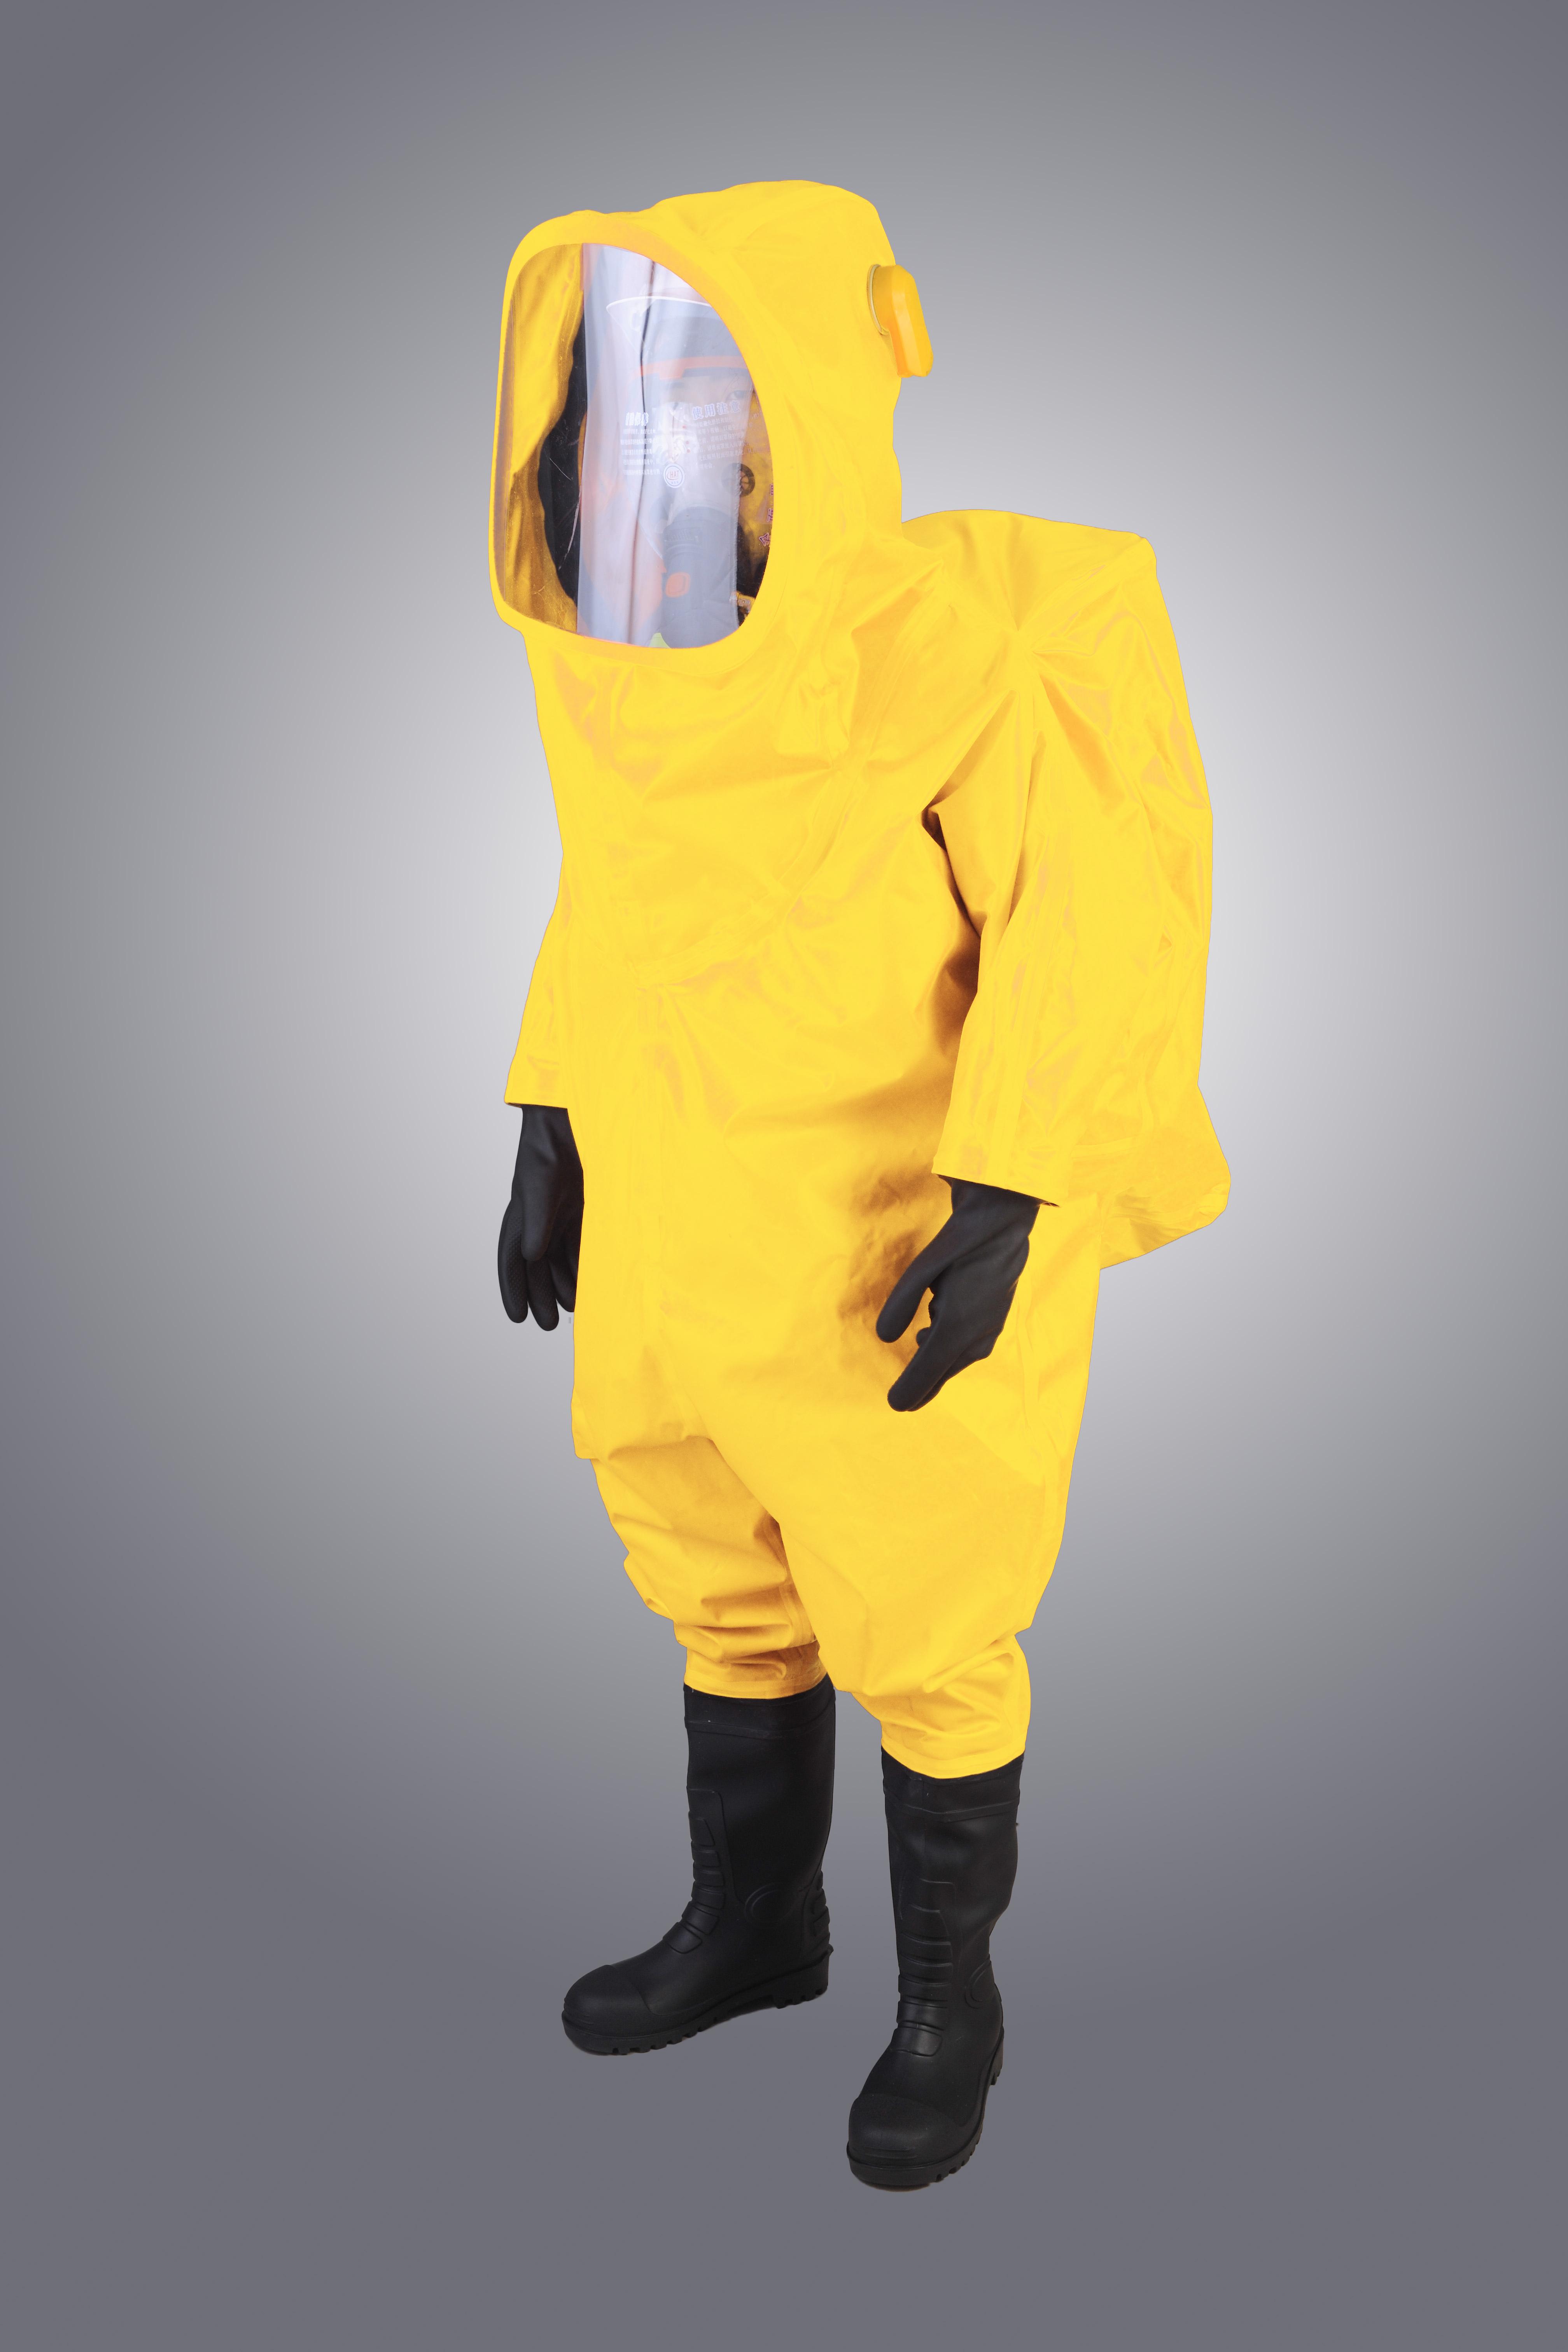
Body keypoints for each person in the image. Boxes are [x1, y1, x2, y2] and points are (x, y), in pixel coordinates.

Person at [488, 183, 1228, 2189]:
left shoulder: (945, 658)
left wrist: (1015, 1192)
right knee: (708, 1557)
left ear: (804, 406)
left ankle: (944, 2005)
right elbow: (611, 897)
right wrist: (547, 1121)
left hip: (881, 1227)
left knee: (922, 1590)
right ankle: (757, 1926)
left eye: (706, 403)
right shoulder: (620, 668)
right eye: (628, 395)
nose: (655, 449)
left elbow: (1086, 921)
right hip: (679, 1206)